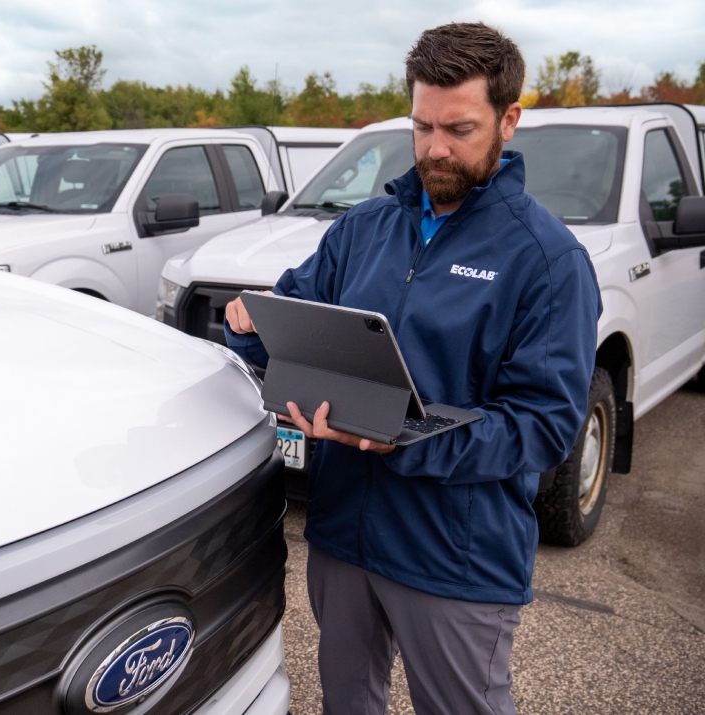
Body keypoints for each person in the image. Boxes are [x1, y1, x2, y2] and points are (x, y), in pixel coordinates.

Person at [224, 22, 601, 715]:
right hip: (343, 536)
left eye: (459, 129)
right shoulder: (362, 230)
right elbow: (292, 329)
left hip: (453, 556)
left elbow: (544, 426)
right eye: (422, 126)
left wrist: (400, 437)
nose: (436, 148)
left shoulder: (548, 262)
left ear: (509, 120)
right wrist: (248, 324)